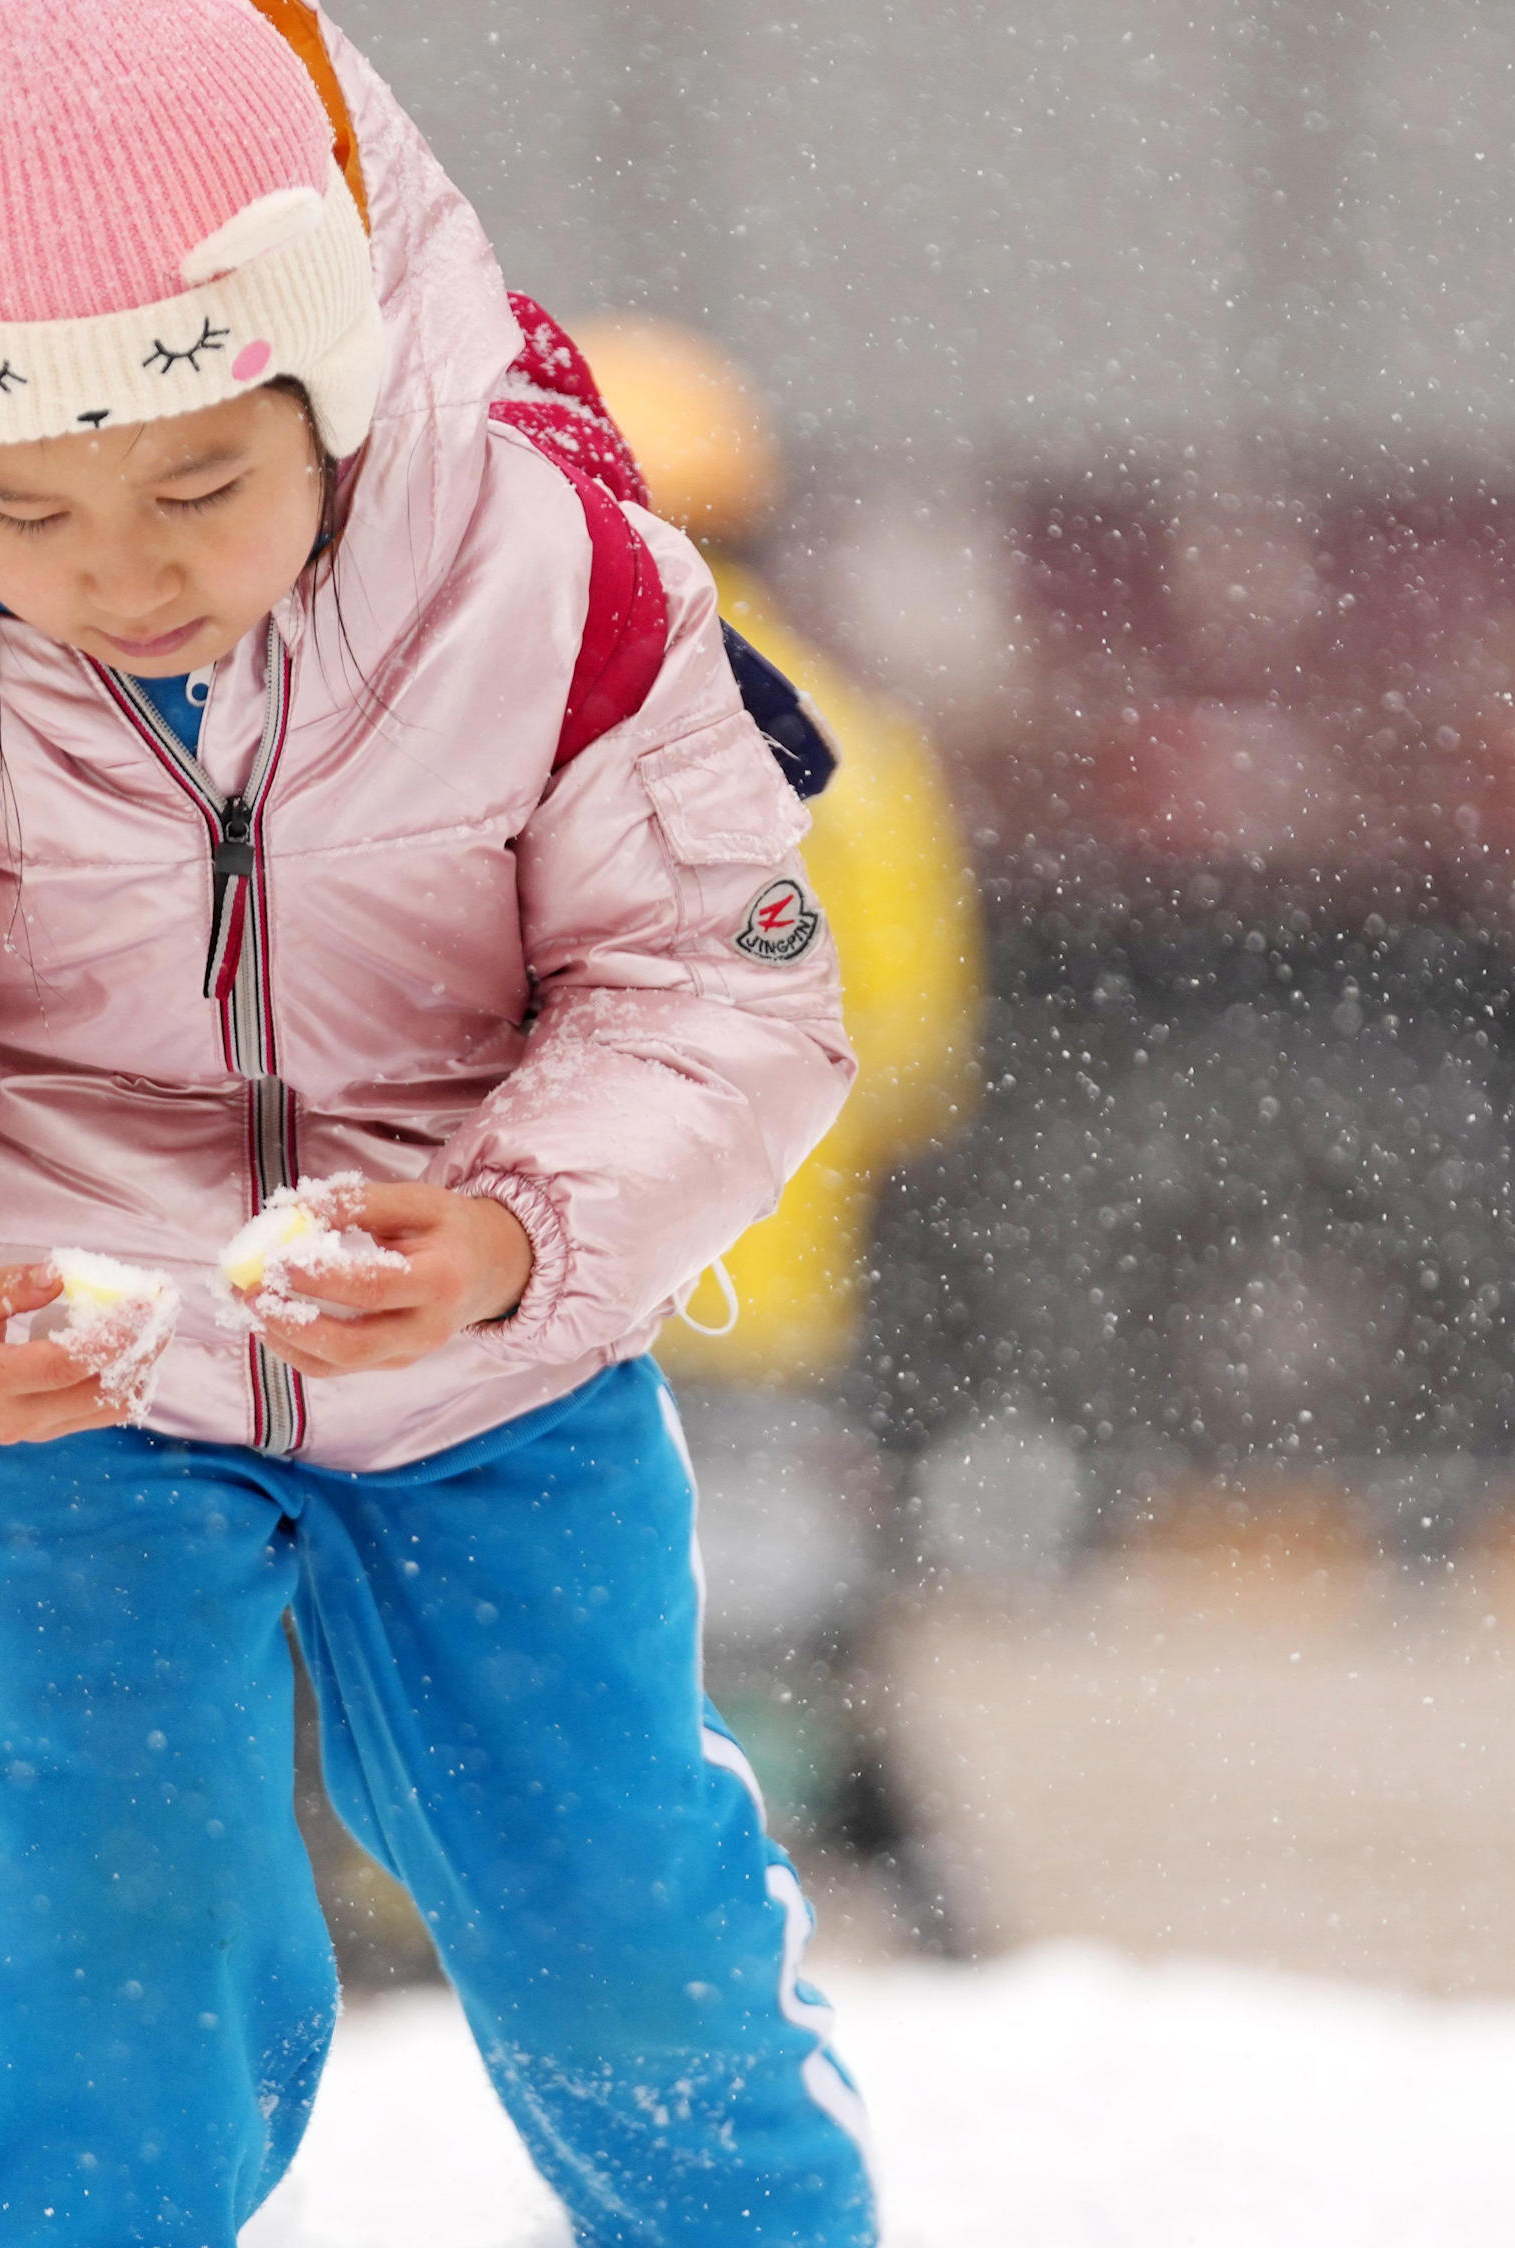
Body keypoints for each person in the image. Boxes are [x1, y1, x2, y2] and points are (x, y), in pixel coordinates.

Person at [0, 0, 876, 2248]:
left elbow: (721, 985)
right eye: (19, 506)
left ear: (332, 382)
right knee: (120, 1888)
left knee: (599, 1895)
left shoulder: (554, 586)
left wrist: (507, 1232)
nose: (112, 572)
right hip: (64, 1358)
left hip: (485, 1348)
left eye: (191, 486)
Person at [579, 316, 986, 1945]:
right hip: (764, 1295)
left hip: (538, 1294)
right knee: (760, 1630)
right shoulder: (854, 743)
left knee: (532, 1628)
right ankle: (811, 1902)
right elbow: (913, 1059)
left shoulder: (520, 731)